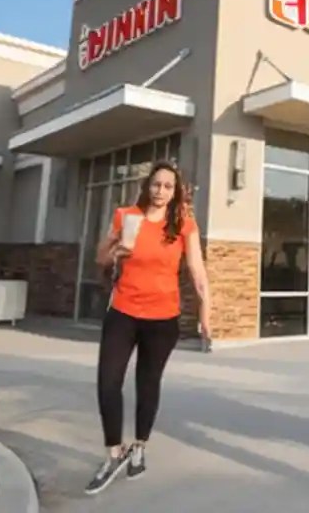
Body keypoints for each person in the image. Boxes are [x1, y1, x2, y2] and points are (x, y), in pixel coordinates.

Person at [84, 160, 212, 495]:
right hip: (123, 311)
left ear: (176, 192)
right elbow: (100, 259)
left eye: (168, 186)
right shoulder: (126, 216)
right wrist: (113, 250)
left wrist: (206, 314)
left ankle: (140, 445)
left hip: (162, 318)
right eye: (156, 185)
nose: (161, 191)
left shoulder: (184, 223)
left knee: (147, 382)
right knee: (108, 382)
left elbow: (197, 271)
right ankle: (115, 453)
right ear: (148, 186)